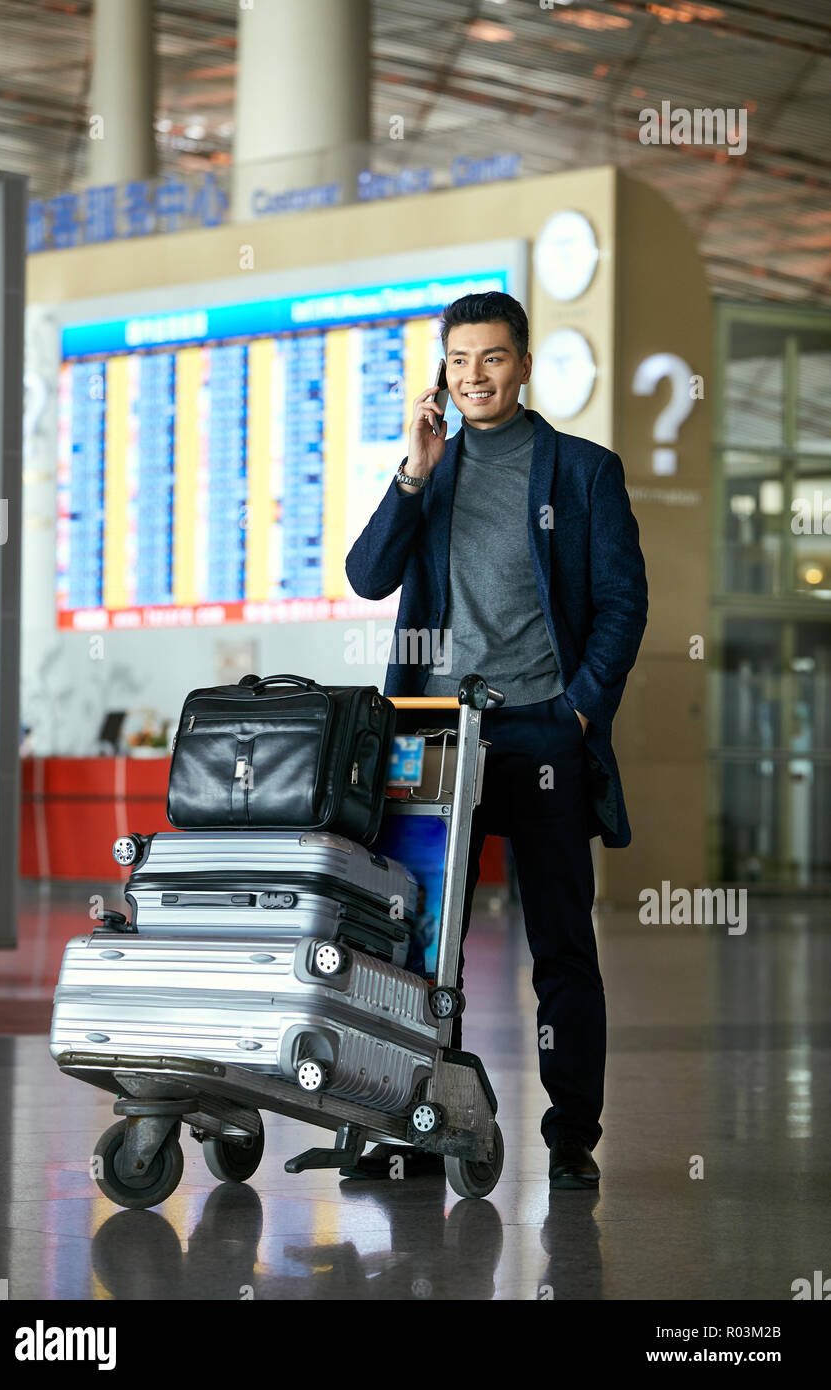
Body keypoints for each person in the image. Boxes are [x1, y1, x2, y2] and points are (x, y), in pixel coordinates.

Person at [344, 291, 647, 1189]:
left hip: (543, 732)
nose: (475, 376)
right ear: (444, 373)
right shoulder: (431, 471)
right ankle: (423, 1122)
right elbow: (367, 578)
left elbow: (623, 605)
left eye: (493, 358)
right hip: (438, 737)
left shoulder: (583, 473)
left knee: (559, 942)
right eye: (459, 361)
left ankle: (573, 1137)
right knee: (422, 946)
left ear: (523, 364)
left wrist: (580, 711)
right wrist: (412, 470)